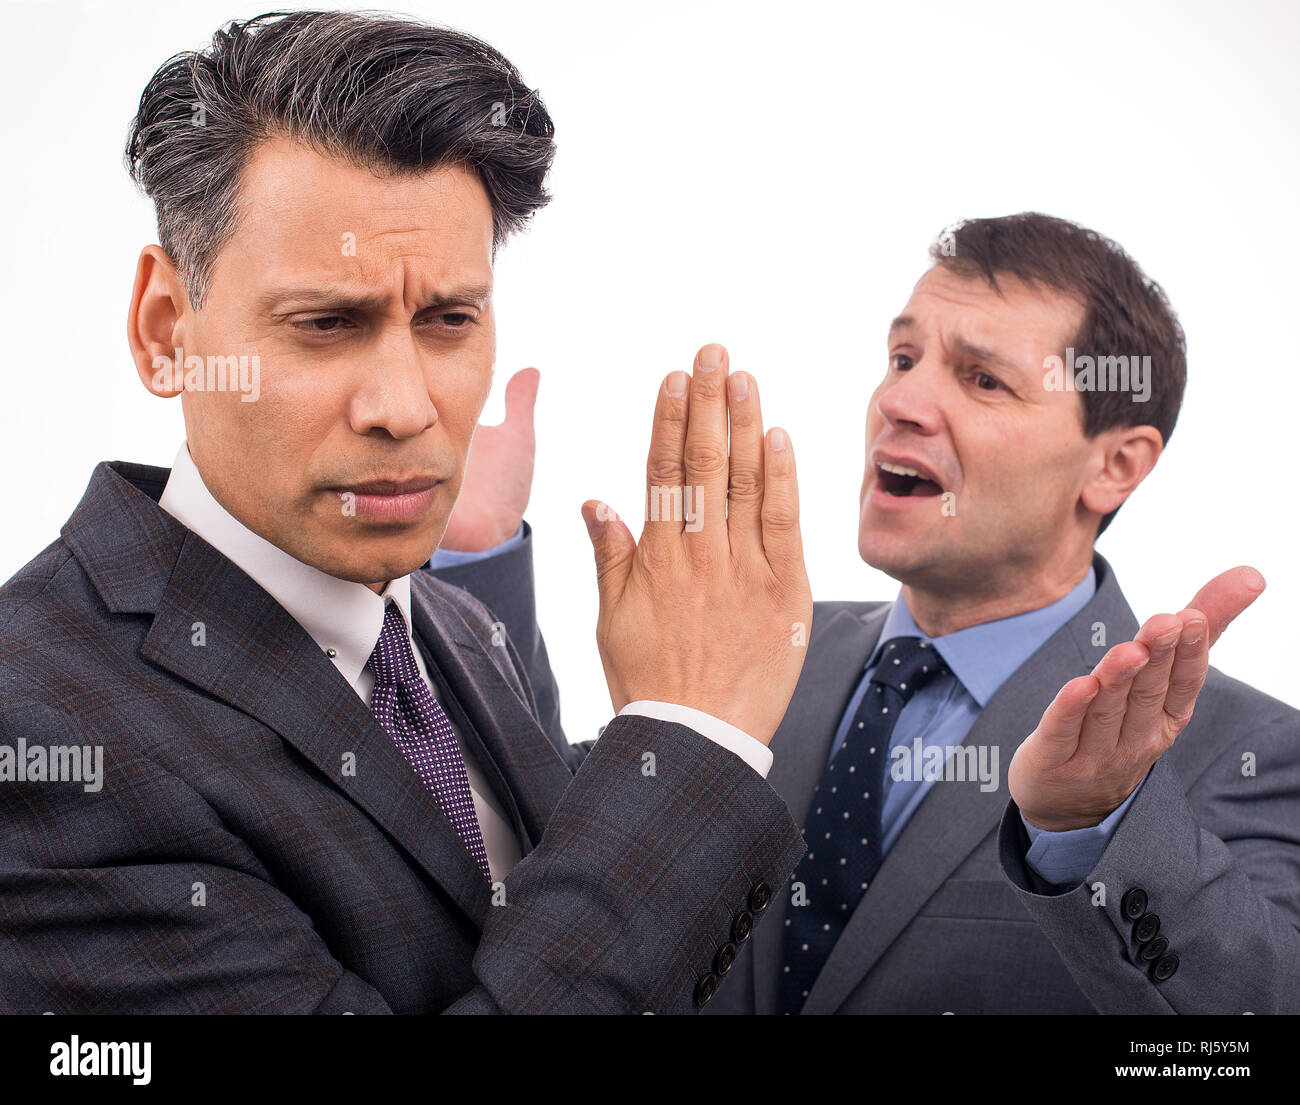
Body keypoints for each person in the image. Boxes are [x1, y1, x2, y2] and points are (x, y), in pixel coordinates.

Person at [0, 10, 814, 1014]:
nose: (404, 407)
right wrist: (690, 736)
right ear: (167, 331)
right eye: (327, 323)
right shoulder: (34, 730)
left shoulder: (450, 625)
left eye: (448, 320)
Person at [444, 213, 1300, 1014]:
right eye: (902, 359)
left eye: (982, 378)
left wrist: (1089, 826)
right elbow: (557, 846)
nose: (903, 402)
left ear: (1113, 465)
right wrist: (471, 563)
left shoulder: (1241, 749)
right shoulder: (759, 650)